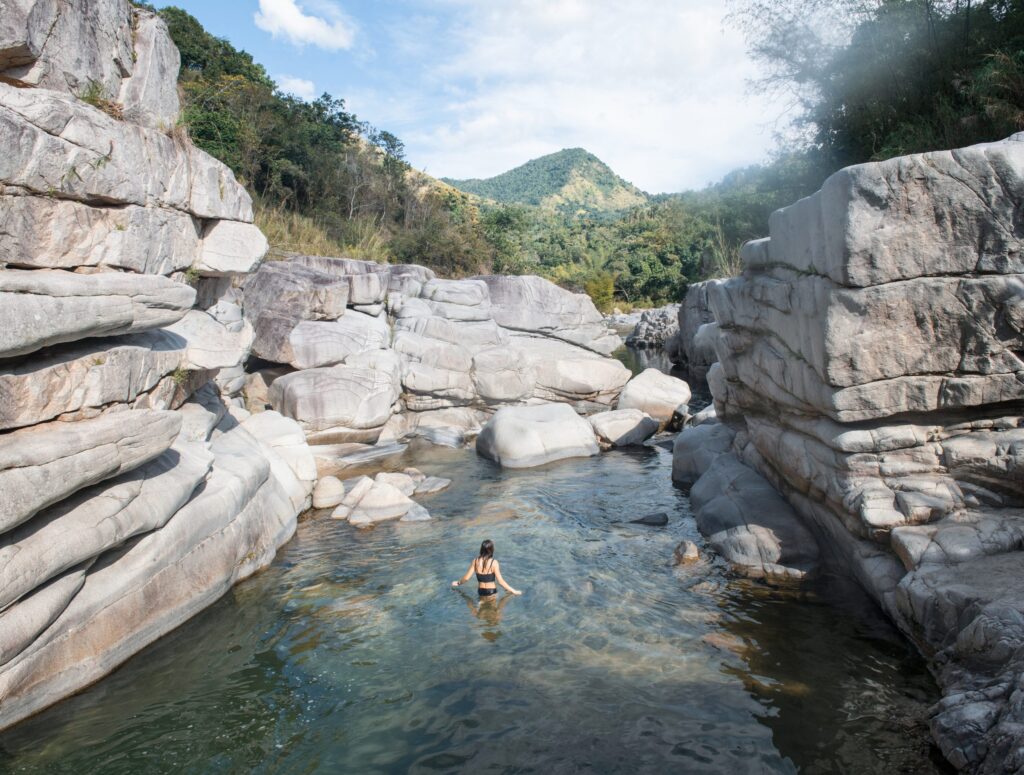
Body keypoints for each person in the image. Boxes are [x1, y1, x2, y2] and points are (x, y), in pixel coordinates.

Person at [451, 539, 522, 598]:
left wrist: (458, 583)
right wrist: (514, 591)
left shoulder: (475, 561)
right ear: (491, 550)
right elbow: (500, 581)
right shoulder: (494, 562)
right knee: (495, 613)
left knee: (482, 612)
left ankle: (481, 604)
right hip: (492, 591)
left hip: (481, 591)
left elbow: (466, 578)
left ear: (481, 549)